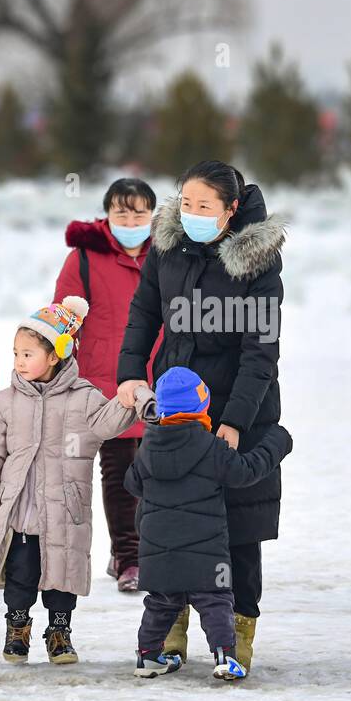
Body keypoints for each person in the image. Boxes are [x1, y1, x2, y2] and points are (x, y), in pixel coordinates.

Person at [116, 160, 287, 673]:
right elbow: (145, 311)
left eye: (204, 207)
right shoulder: (166, 247)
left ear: (231, 211)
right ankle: (169, 628)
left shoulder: (259, 262)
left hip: (241, 405)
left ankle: (237, 628)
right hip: (173, 406)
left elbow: (262, 351)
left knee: (238, 525)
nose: (191, 213)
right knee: (166, 519)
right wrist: (130, 371)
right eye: (185, 203)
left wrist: (234, 420)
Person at [0, 297, 155, 666]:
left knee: (61, 578)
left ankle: (59, 631)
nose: (19, 362)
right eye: (16, 354)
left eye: (27, 354)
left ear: (55, 355)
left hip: (64, 509)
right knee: (21, 577)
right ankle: (17, 626)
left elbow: (107, 422)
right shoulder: (6, 402)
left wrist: (130, 399)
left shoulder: (82, 398)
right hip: (21, 511)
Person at [127, 367, 293, 681]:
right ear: (201, 407)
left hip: (159, 553)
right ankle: (225, 656)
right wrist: (278, 442)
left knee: (160, 603)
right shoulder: (211, 449)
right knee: (216, 602)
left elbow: (132, 482)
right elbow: (247, 471)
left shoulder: (148, 448)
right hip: (206, 553)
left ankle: (147, 656)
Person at [54, 177, 158, 592]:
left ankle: (148, 552)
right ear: (107, 215)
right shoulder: (84, 258)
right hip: (104, 385)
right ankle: (129, 557)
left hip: (158, 379)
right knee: (120, 473)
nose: (130, 220)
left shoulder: (167, 255)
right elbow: (62, 317)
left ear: (153, 215)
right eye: (121, 212)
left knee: (157, 473)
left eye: (139, 213)